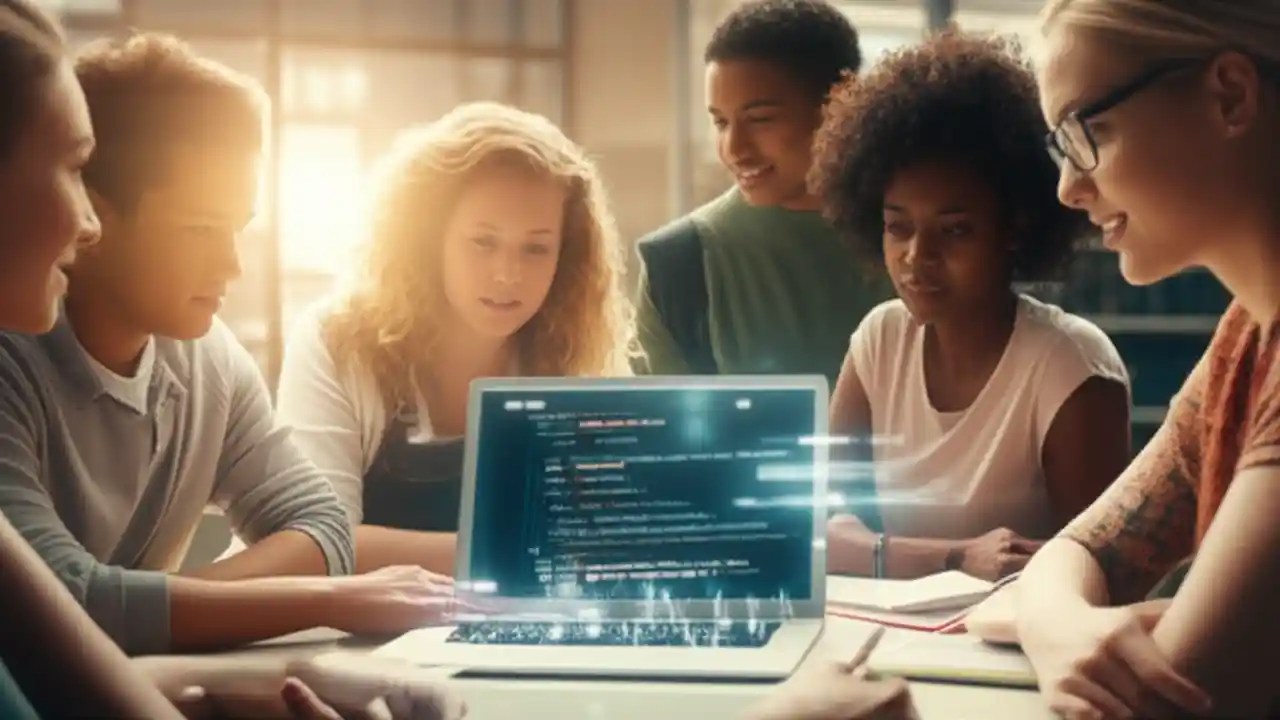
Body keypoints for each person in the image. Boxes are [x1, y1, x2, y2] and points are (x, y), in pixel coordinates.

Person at [0, 3, 460, 718]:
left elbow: (322, 524)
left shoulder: (208, 358)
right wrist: (331, 599)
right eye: (199, 229)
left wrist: (155, 617)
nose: (232, 265)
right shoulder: (11, 366)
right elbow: (71, 600)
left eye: (239, 228)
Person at [1016, 1, 1280, 717]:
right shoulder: (1245, 338)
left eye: (1087, 130)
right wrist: (1062, 630)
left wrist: (1066, 627)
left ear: (1229, 95)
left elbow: (1173, 697)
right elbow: (1070, 559)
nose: (1069, 187)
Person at [811, 32, 1131, 581]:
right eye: (898, 227)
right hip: (893, 640)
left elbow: (1099, 573)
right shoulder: (879, 340)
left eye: (954, 230)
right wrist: (957, 558)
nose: (918, 255)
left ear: (1015, 227)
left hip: (1014, 655)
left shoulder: (1070, 367)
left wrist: (880, 553)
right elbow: (817, 534)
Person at [276, 101, 636, 573]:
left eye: (536, 248)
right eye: (482, 242)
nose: (507, 274)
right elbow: (316, 545)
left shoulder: (575, 360)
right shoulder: (336, 341)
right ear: (428, 238)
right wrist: (517, 553)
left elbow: (604, 534)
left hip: (501, 635)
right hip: (336, 639)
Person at [633, 0, 891, 386]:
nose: (734, 148)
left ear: (841, 101)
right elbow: (668, 437)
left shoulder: (918, 234)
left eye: (760, 120)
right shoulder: (678, 265)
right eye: (720, 122)